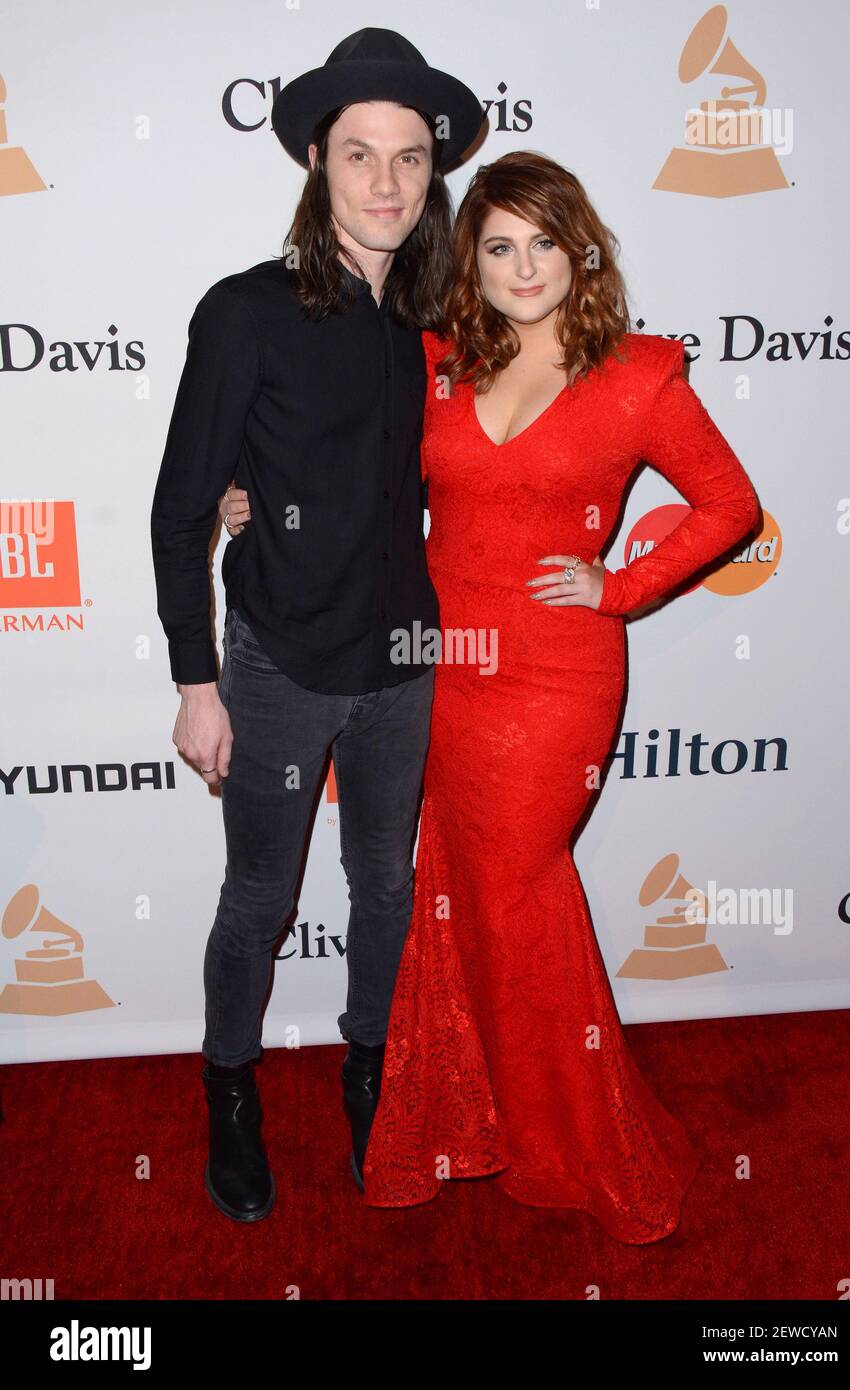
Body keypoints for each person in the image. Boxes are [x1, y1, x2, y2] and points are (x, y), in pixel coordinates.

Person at [220, 148, 762, 1243]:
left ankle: (572, 1131)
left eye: (543, 243)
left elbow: (730, 506)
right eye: (500, 246)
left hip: (556, 676)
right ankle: (471, 1110)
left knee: (517, 883)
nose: (523, 266)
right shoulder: (436, 362)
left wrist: (622, 585)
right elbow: (345, 461)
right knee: (451, 881)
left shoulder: (641, 374)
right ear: (473, 258)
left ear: (581, 248)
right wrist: (252, 494)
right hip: (437, 660)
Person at [150, 28, 484, 1222]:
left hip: (404, 659)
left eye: (408, 157)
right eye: (359, 155)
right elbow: (184, 502)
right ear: (315, 161)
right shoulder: (244, 311)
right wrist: (198, 683)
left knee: (384, 888)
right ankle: (228, 1092)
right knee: (258, 898)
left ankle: (369, 1073)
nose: (387, 181)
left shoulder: (438, 321)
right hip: (281, 662)